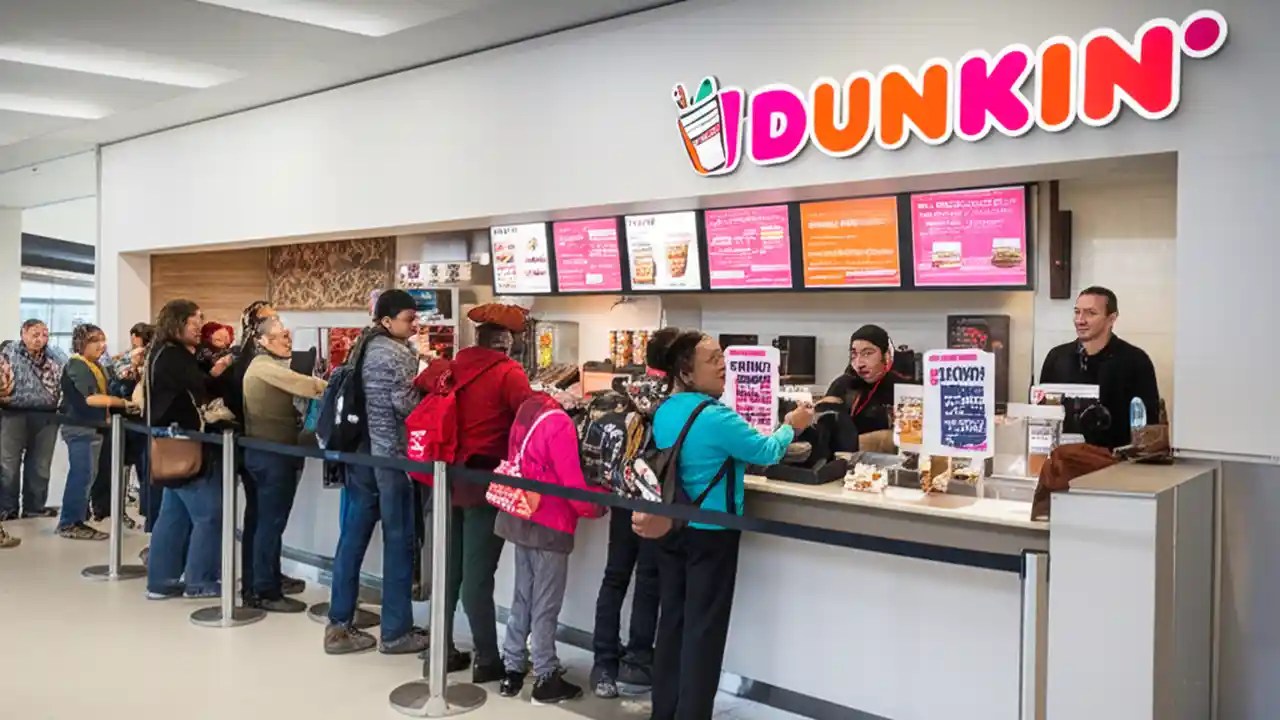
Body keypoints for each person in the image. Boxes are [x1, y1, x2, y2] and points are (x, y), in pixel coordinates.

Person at [644, 330, 813, 720]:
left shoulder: (666, 409)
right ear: (686, 372)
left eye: (721, 355)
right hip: (711, 535)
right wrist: (793, 423)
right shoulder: (715, 417)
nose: (722, 364)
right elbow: (766, 451)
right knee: (703, 632)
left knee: (672, 623)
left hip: (672, 528)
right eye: (711, 359)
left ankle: (664, 711)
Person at [415, 302, 534, 681]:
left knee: (448, 571)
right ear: (507, 341)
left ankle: (441, 649)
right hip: (486, 485)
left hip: (447, 478)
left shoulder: (453, 365)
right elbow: (531, 419)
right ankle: (487, 658)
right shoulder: (508, 373)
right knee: (478, 577)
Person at [325, 290, 427, 655]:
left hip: (361, 455)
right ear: (387, 321)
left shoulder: (361, 345)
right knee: (399, 542)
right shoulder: (395, 353)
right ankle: (396, 631)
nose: (415, 325)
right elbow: (404, 404)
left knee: (351, 540)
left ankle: (339, 624)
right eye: (409, 319)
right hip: (390, 459)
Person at [496, 392, 607, 704]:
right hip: (550, 522)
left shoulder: (526, 413)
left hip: (523, 515)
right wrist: (598, 505)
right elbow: (571, 483)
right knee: (546, 603)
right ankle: (545, 675)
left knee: (522, 596)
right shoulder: (559, 423)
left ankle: (512, 669)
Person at [589, 327, 677, 699]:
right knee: (649, 579)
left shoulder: (630, 388)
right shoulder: (674, 397)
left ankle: (603, 664)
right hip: (655, 499)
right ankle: (638, 661)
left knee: (615, 577)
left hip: (623, 497)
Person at [145, 300, 234, 600]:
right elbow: (201, 390)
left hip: (166, 442)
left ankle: (162, 580)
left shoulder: (159, 354)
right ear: (177, 323)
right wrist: (220, 371)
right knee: (209, 514)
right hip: (185, 442)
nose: (199, 328)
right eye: (194, 322)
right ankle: (201, 581)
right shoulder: (176, 357)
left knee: (174, 515)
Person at [241, 317, 327, 612]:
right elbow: (305, 385)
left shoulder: (270, 365)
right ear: (263, 341)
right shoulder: (264, 367)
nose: (287, 340)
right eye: (281, 336)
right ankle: (264, 590)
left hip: (267, 452)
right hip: (271, 455)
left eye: (288, 335)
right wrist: (338, 387)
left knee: (262, 522)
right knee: (269, 523)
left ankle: (261, 582)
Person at [1039, 286, 1160, 450]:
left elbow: (1149, 425)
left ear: (1111, 318)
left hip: (1116, 465)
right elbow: (1040, 413)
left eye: (1091, 313)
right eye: (1077, 312)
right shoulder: (1057, 358)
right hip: (1064, 459)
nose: (1080, 320)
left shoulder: (1135, 361)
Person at [56, 324, 139, 540]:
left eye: (103, 340)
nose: (102, 346)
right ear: (81, 343)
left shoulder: (96, 366)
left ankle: (78, 518)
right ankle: (69, 522)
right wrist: (124, 403)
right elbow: (91, 398)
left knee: (88, 475)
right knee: (81, 475)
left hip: (94, 429)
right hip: (80, 427)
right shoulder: (77, 365)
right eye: (95, 341)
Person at [0, 320, 67, 520]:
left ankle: (34, 507)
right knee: (8, 464)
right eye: (35, 334)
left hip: (47, 414)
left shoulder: (55, 356)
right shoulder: (8, 353)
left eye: (44, 334)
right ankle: (7, 509)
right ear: (23, 334)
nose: (40, 339)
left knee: (40, 464)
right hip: (13, 413)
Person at [821, 324, 908, 453]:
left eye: (868, 353)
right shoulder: (842, 386)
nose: (859, 363)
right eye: (854, 354)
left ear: (886, 355)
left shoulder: (904, 388)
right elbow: (824, 435)